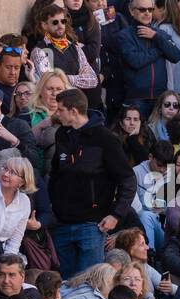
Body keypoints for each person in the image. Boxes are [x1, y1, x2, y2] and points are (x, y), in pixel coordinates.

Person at [48, 89, 136, 275]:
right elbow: (55, 173)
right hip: (62, 223)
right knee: (65, 285)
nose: (57, 114)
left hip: (91, 225)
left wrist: (116, 215)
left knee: (89, 283)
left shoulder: (106, 139)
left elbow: (127, 180)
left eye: (60, 110)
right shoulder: (61, 135)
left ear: (73, 111)